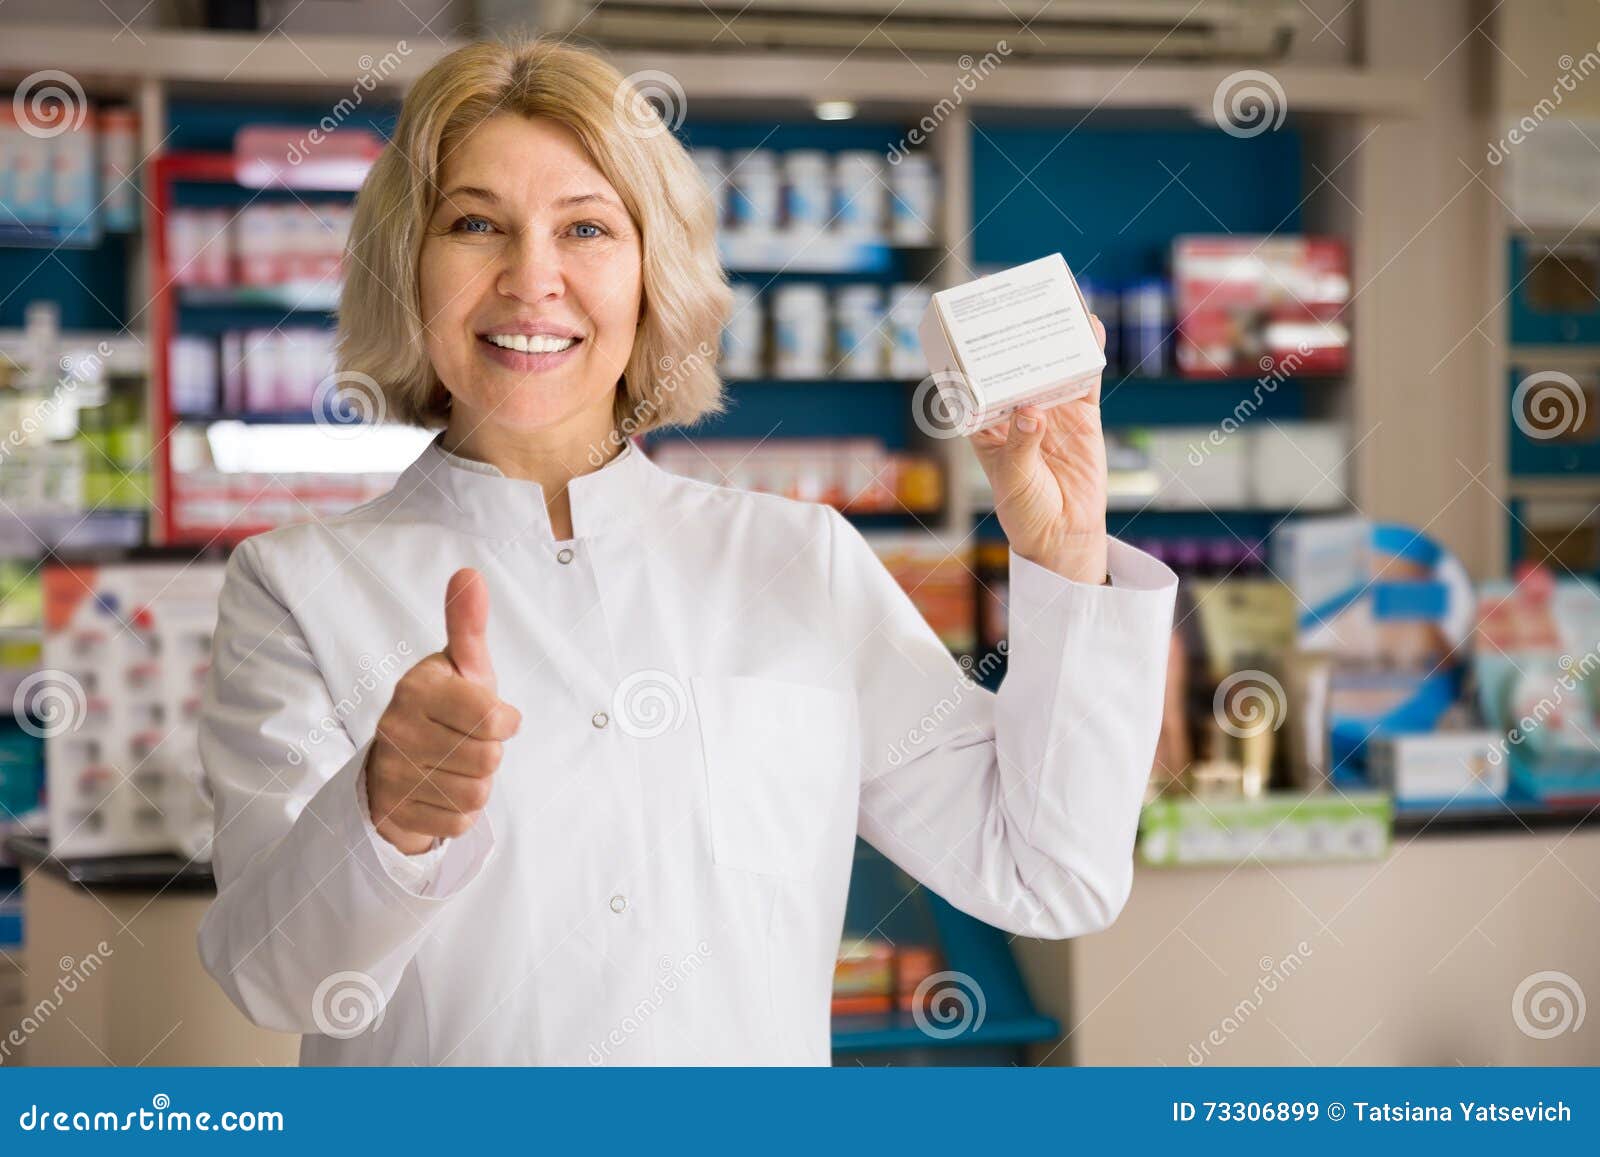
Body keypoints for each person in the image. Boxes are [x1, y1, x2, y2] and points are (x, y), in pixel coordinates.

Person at [196, 37, 1178, 1065]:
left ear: (651, 275)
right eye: (475, 224)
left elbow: (1047, 871)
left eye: (586, 227)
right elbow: (275, 976)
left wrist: (1065, 553)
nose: (532, 279)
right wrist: (384, 817)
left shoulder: (799, 560)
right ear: (407, 267)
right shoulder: (298, 586)